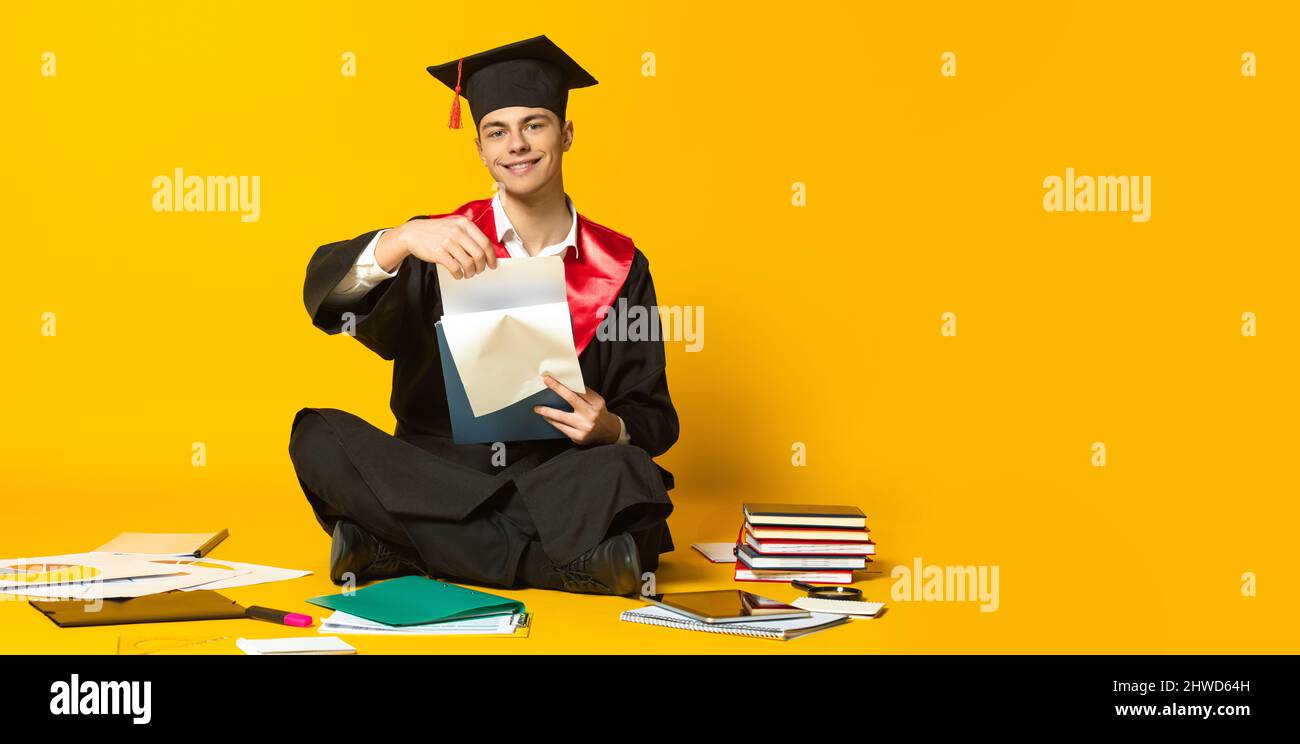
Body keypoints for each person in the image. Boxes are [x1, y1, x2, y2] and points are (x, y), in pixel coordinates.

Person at [288, 36, 679, 596]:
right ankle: (561, 564)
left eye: (535, 125)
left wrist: (610, 427)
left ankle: (400, 545)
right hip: (436, 472)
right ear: (479, 147)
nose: (516, 145)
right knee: (317, 436)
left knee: (628, 475)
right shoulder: (440, 241)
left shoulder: (619, 264)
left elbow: (655, 415)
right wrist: (398, 240)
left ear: (565, 134)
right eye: (497, 131)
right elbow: (327, 300)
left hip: (559, 477)